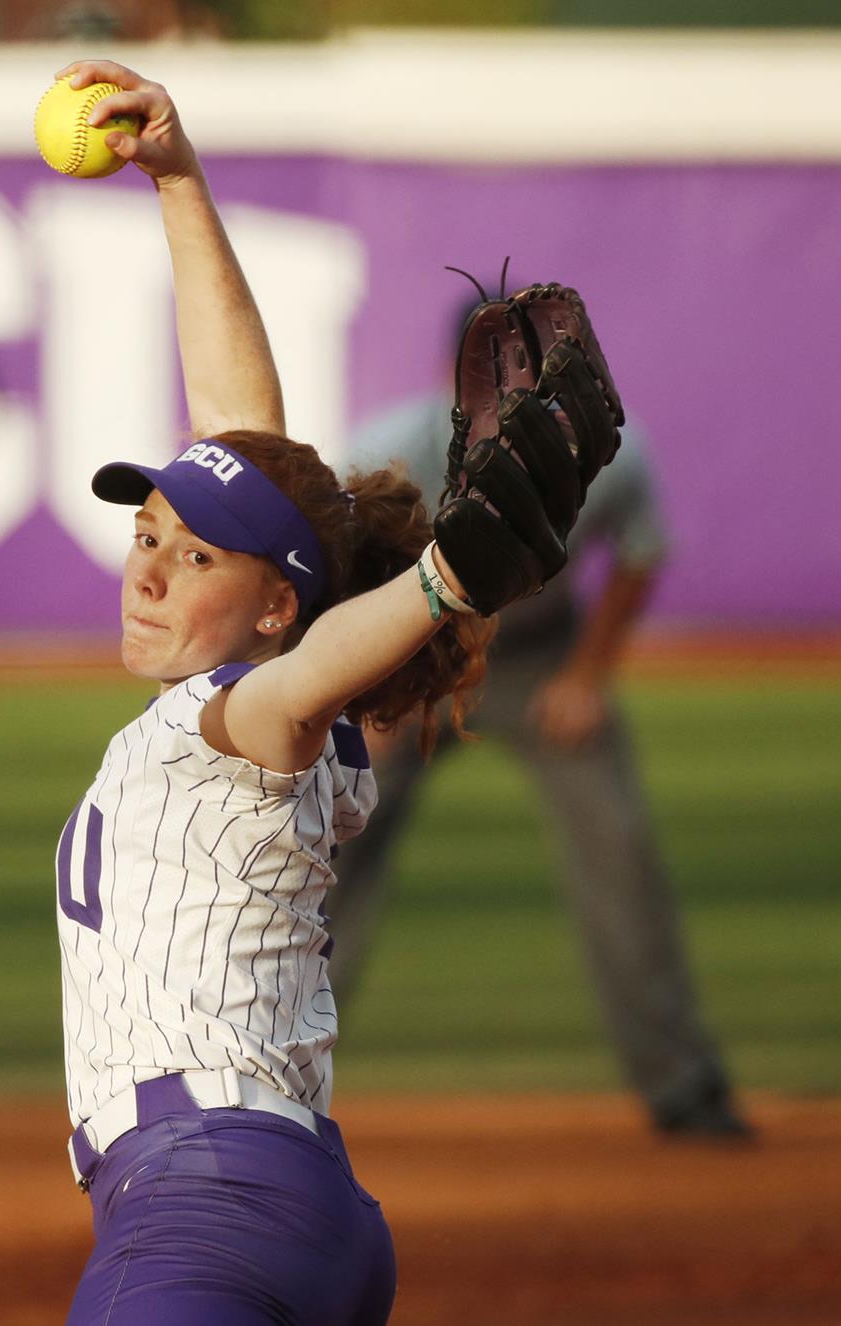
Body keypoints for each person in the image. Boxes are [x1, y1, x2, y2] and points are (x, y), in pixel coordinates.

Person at [47, 61, 616, 1325]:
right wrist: (177, 177)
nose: (147, 567)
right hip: (302, 1207)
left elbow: (310, 660)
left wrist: (445, 582)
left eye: (191, 556)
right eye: (147, 531)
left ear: (270, 602)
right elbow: (237, 431)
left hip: (204, 1211)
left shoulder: (240, 721)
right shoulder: (274, 695)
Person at [321, 318, 752, 1141]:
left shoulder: (609, 457)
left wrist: (588, 675)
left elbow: (642, 550)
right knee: (325, 858)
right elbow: (341, 578)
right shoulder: (393, 452)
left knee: (618, 853)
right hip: (410, 660)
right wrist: (361, 693)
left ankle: (685, 1089)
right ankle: (261, 1086)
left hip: (538, 658)